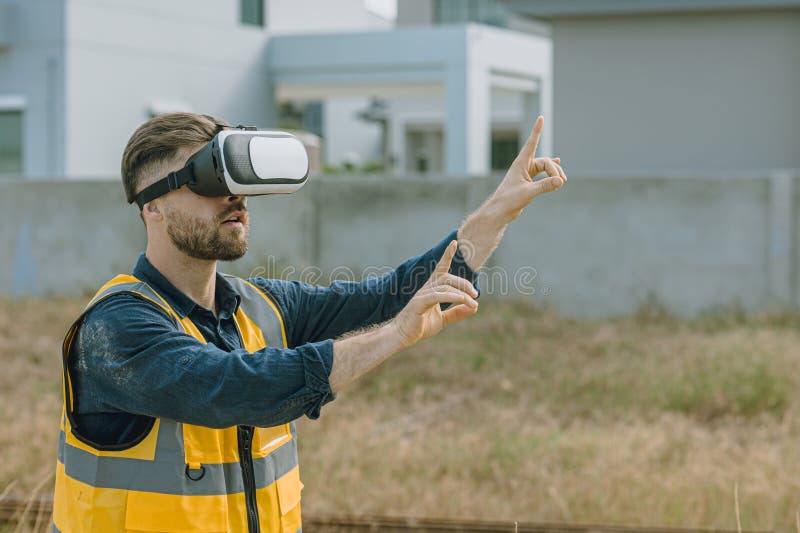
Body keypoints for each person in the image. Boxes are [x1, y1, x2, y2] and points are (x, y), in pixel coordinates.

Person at [52, 112, 566, 533]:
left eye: (237, 179)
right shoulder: (114, 329)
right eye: (210, 179)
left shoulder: (261, 307)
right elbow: (235, 388)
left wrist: (496, 213)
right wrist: (394, 336)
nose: (235, 197)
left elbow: (391, 296)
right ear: (153, 207)